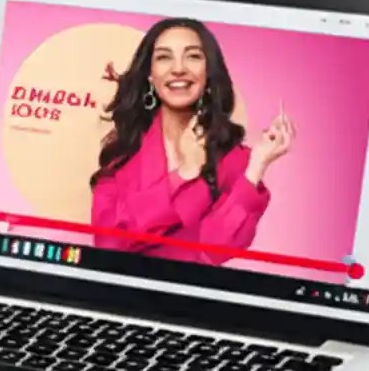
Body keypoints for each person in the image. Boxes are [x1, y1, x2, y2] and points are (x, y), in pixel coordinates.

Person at [89, 17, 295, 265]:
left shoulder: (235, 160)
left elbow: (215, 251)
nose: (178, 68)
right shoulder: (123, 152)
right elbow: (110, 244)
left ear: (208, 73)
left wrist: (257, 165)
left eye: (193, 56)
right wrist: (185, 173)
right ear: (150, 77)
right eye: (164, 57)